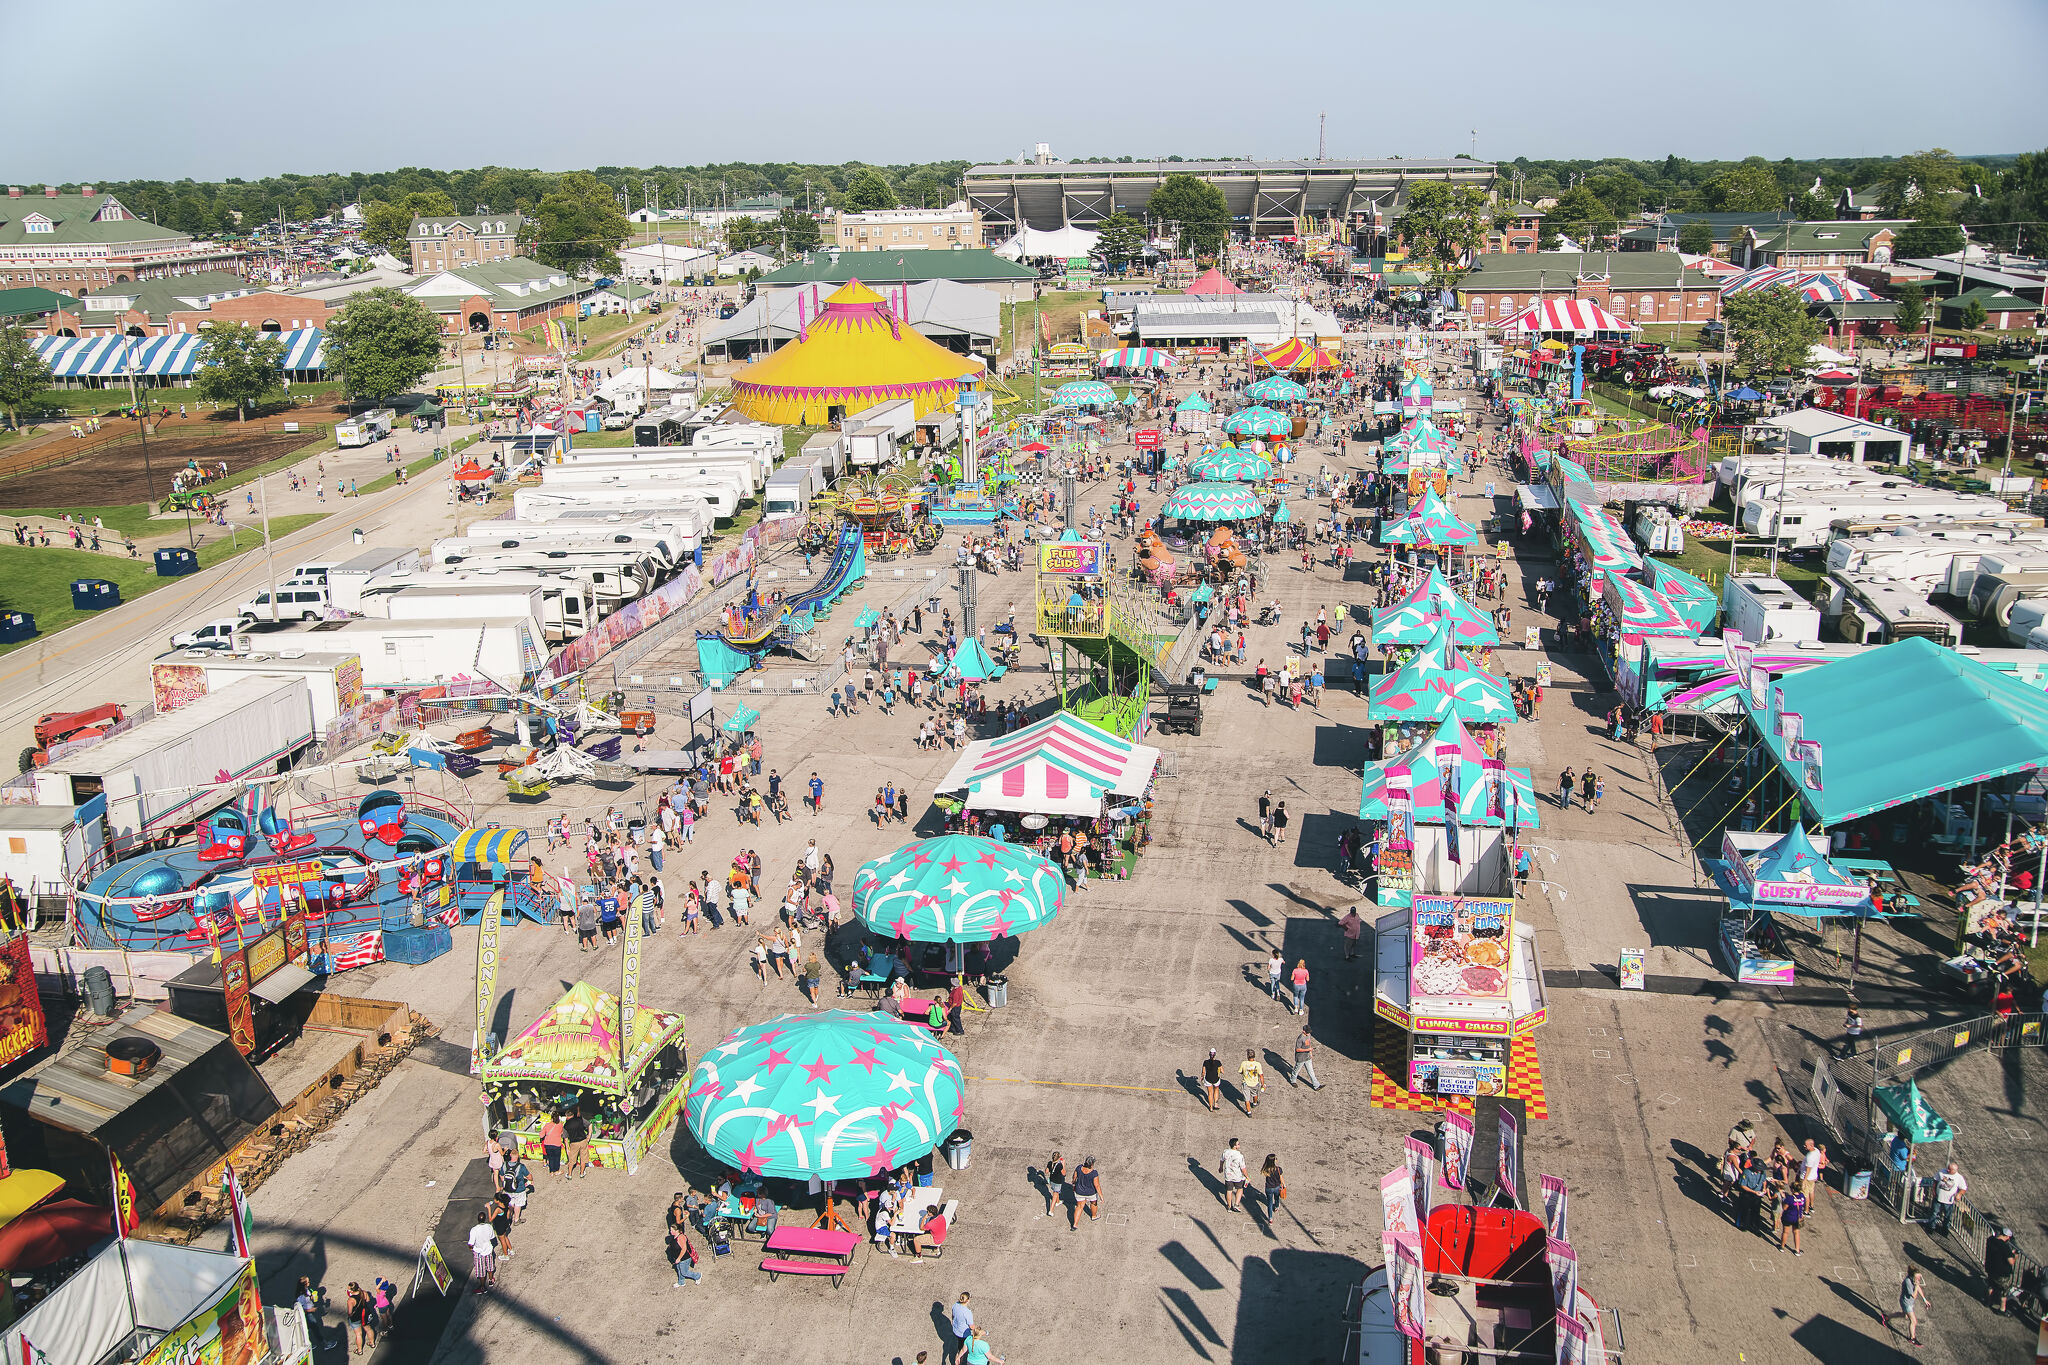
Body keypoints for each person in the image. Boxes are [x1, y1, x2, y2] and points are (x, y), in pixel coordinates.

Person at [1884, 1267, 1929, 1346]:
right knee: (1914, 1321)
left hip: (1909, 1302)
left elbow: (1918, 1288)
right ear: (1913, 1276)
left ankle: (1887, 1317)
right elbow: (1914, 1296)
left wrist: (1924, 1299)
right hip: (1906, 1303)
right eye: (1918, 1277)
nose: (1919, 1278)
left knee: (1904, 1315)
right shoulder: (1908, 1282)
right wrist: (1916, 1285)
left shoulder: (1914, 1279)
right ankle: (1912, 1338)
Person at [1985, 1224, 2017, 1313]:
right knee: (2004, 1292)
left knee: (1991, 1286)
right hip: (2002, 1274)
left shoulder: (1991, 1240)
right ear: (2006, 1236)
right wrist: (2014, 1255)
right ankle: (2002, 1310)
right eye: (2008, 1237)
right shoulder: (2005, 1247)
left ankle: (1988, 1302)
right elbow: (2011, 1261)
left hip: (1991, 1269)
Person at [467, 1210, 498, 1294]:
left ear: (478, 1219)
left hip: (479, 1252)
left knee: (481, 1270)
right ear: (485, 1219)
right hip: (488, 1249)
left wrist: (471, 1248)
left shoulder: (474, 1230)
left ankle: (482, 1287)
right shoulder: (489, 1226)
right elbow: (492, 1237)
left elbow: (470, 1243)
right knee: (490, 1265)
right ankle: (491, 1280)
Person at [1932, 1160, 1967, 1236]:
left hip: (1949, 1201)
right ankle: (1931, 1228)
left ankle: (1945, 1230)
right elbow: (1935, 1180)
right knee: (1934, 1213)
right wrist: (1934, 1191)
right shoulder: (1941, 1172)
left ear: (1955, 1170)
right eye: (1948, 1168)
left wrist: (1959, 1194)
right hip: (1938, 1197)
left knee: (1947, 1216)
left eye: (1950, 1169)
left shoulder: (1959, 1177)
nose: (1947, 1170)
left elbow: (1963, 1188)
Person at [1071, 1156, 1102, 1229]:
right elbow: (1097, 1185)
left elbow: (1074, 1178)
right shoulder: (1094, 1173)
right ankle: (1094, 1216)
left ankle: (1075, 1224)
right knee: (1093, 1203)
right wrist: (1101, 1196)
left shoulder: (1079, 1168)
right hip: (1091, 1193)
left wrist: (1073, 1185)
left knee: (1079, 1207)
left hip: (1079, 1191)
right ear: (1092, 1164)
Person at [1776, 1183, 1807, 1255]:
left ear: (1792, 1189)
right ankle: (1797, 1250)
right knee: (1796, 1232)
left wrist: (1783, 1199)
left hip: (1788, 1217)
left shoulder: (1790, 1198)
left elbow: (1784, 1208)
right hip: (1797, 1218)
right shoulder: (1802, 1196)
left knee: (1785, 1232)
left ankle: (1782, 1247)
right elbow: (1803, 1204)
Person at [345, 1282, 376, 1355]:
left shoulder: (351, 1300)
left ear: (352, 1291)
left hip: (356, 1318)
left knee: (359, 1334)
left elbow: (349, 1313)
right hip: (365, 1315)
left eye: (349, 1289)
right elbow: (368, 1301)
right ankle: (372, 1343)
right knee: (368, 1329)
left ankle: (359, 1350)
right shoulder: (364, 1293)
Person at [1217, 1138, 1247, 1211]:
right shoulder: (1239, 1156)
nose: (1239, 1145)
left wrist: (1221, 1167)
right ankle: (1236, 1205)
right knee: (1239, 1189)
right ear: (1235, 1146)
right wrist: (1247, 1176)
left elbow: (1221, 1160)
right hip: (1237, 1176)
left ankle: (1229, 1206)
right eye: (1238, 1144)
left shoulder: (1226, 1152)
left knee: (1229, 1190)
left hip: (1228, 1175)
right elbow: (1243, 1168)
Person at [1292, 1024, 1322, 1089]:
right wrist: (1308, 1050)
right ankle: (1293, 1081)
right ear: (1303, 1031)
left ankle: (1316, 1086)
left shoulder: (1308, 1035)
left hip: (1307, 1057)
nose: (1308, 1033)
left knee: (1311, 1072)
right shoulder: (1300, 1038)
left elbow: (1309, 1044)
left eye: (1309, 1032)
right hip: (1301, 1058)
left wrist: (1310, 1053)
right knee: (1296, 1071)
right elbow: (1297, 1049)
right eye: (1307, 1032)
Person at [562, 1108, 590, 1178]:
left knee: (572, 1160)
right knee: (583, 1158)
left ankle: (569, 1174)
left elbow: (565, 1138)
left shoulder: (566, 1125)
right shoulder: (580, 1119)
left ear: (566, 1116)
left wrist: (567, 1148)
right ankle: (582, 1173)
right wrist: (589, 1135)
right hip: (583, 1140)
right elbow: (589, 1124)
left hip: (574, 1143)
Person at [947, 1293, 974, 1365]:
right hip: (964, 1334)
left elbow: (952, 1316)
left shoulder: (955, 1305)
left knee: (959, 1345)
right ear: (967, 1300)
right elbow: (971, 1326)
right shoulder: (967, 1312)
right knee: (964, 1348)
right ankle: (959, 1360)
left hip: (956, 1330)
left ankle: (959, 1357)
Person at [1260, 1154, 1286, 1221]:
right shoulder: (1278, 1169)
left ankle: (1270, 1218)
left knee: (1270, 1203)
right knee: (1276, 1198)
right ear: (1274, 1161)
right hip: (1277, 1187)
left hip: (1269, 1188)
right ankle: (1276, 1207)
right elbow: (1281, 1178)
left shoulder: (1266, 1169)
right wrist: (1284, 1184)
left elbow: (1263, 1173)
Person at [1042, 1150, 1067, 1218]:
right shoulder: (1059, 1165)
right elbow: (1064, 1173)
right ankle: (1051, 1210)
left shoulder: (1050, 1163)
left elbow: (1046, 1171)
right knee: (1055, 1194)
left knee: (1055, 1192)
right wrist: (1063, 1165)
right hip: (1058, 1182)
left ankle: (1058, 1202)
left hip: (1052, 1180)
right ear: (1059, 1158)